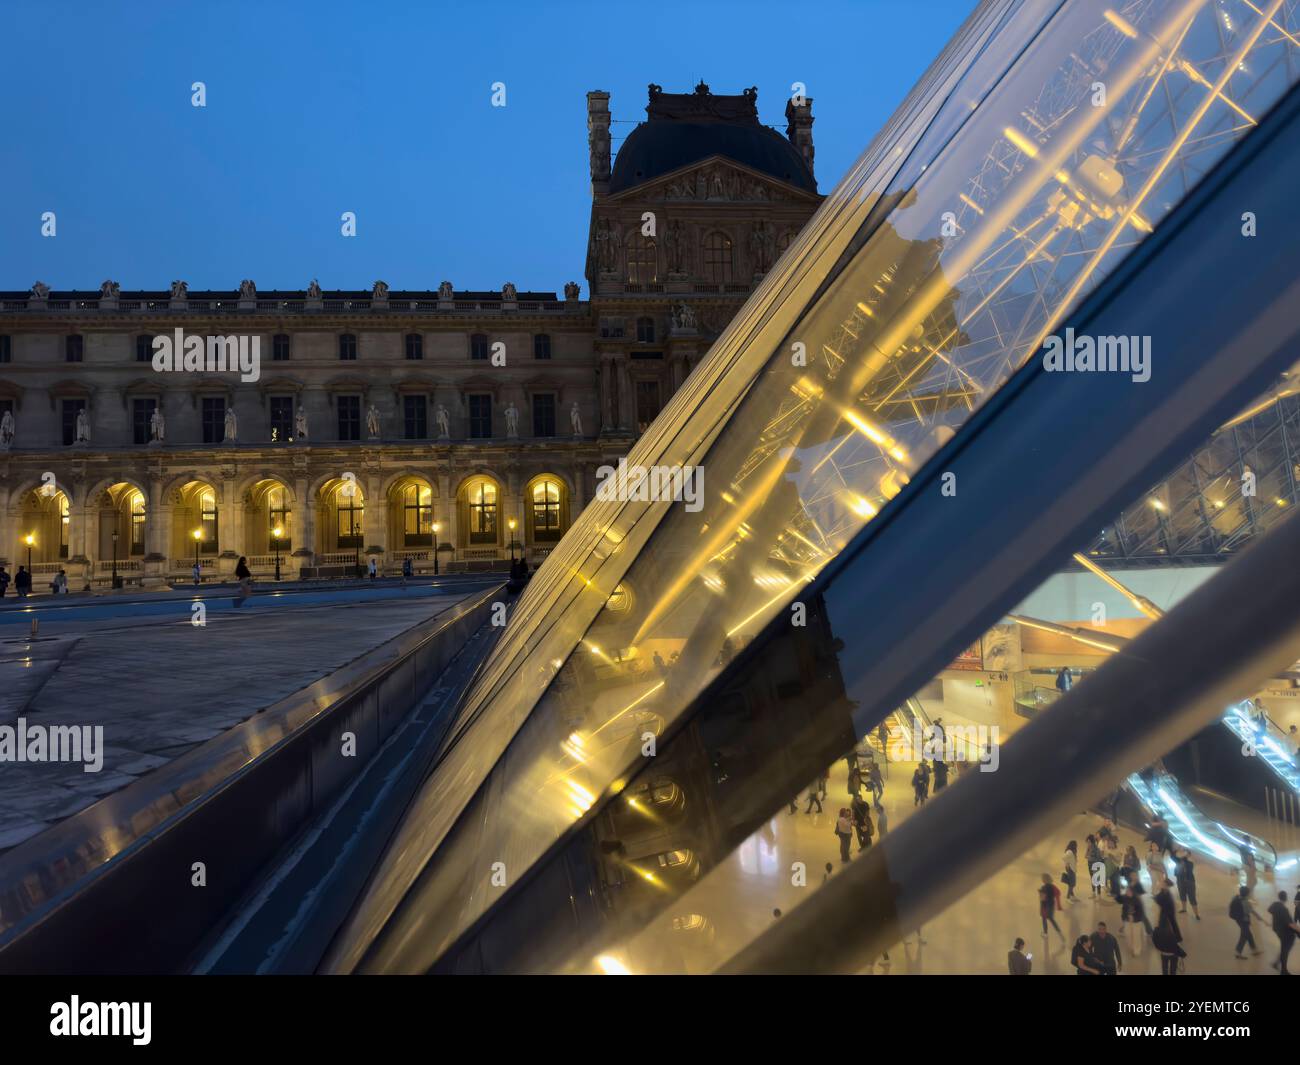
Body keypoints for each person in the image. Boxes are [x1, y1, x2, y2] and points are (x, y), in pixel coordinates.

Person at [1152, 879, 1184, 975]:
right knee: (1172, 925)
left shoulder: (1167, 894)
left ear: (1165, 885)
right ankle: (1177, 937)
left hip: (1166, 914)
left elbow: (1160, 901)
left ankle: (1175, 938)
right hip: (1167, 913)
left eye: (1162, 883)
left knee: (1170, 926)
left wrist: (1156, 898)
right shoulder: (1165, 892)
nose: (1160, 883)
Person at [1268, 890, 1300, 974]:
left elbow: (1269, 910)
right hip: (1286, 934)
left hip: (1277, 930)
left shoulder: (1275, 905)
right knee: (1285, 951)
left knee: (1284, 949)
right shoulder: (1283, 909)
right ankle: (1283, 971)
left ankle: (1276, 963)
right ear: (1286, 898)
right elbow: (1291, 924)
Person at [1230, 885, 1261, 959]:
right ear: (1247, 894)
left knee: (1248, 934)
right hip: (1244, 920)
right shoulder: (1245, 903)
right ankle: (1238, 952)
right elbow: (1250, 911)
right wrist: (1258, 916)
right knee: (1244, 936)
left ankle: (1254, 950)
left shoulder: (1235, 897)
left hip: (1238, 919)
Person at [1173, 848, 1200, 920]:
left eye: (1186, 853)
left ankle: (1196, 914)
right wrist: (1177, 850)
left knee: (1192, 898)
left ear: (1189, 855)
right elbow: (1172, 856)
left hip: (1190, 882)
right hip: (1180, 881)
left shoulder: (1190, 863)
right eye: (1183, 853)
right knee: (1182, 895)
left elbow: (1185, 863)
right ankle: (1184, 909)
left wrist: (1183, 855)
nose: (1183, 854)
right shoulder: (1178, 861)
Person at [1120, 883, 1146, 955]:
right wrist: (1124, 917)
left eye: (1128, 891)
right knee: (1128, 934)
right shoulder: (1125, 898)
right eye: (1127, 891)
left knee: (1136, 936)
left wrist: (1134, 917)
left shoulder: (1137, 900)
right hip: (1128, 920)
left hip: (1136, 921)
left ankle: (1137, 950)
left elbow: (1141, 912)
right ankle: (1131, 947)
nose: (1127, 892)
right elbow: (1124, 909)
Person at [1039, 873, 1064, 941]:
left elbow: (1042, 899)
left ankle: (1045, 933)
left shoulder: (1043, 888)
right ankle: (1059, 932)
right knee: (1051, 919)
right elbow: (1058, 893)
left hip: (1045, 906)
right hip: (1051, 905)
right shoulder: (1053, 886)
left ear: (1044, 880)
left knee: (1044, 920)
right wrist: (1059, 905)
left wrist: (1040, 893)